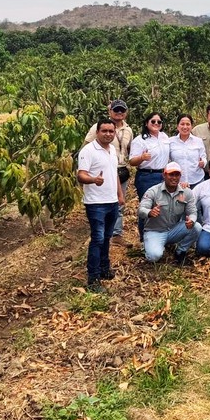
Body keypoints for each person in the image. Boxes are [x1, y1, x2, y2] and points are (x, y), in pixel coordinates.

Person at [76, 118, 124, 292]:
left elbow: (115, 173)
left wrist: (120, 194)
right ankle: (93, 278)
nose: (108, 134)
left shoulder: (112, 149)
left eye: (111, 131)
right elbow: (81, 175)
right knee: (97, 239)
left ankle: (104, 268)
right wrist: (93, 180)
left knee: (106, 238)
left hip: (111, 202)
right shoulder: (88, 151)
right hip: (96, 203)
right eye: (104, 131)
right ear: (97, 132)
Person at [83, 100, 134, 240]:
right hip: (102, 172)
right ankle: (100, 232)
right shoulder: (98, 127)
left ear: (126, 112)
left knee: (119, 202)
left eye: (122, 110)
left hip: (121, 169)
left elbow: (129, 149)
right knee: (101, 203)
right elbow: (86, 147)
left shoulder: (128, 130)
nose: (119, 113)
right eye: (116, 110)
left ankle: (116, 234)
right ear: (110, 111)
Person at [137, 162, 201, 265]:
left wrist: (192, 220)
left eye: (177, 175)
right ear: (164, 175)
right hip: (155, 231)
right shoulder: (153, 191)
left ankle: (180, 251)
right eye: (171, 174)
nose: (174, 178)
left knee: (196, 227)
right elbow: (141, 210)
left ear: (180, 176)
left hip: (173, 229)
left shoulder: (187, 192)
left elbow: (192, 212)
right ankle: (151, 245)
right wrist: (149, 212)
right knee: (154, 256)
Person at [129, 112, 171, 236]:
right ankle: (144, 237)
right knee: (147, 207)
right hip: (147, 176)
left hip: (163, 175)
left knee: (163, 206)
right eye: (153, 121)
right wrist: (142, 157)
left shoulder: (164, 137)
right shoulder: (140, 140)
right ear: (147, 123)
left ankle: (162, 235)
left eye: (159, 122)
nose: (156, 124)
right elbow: (132, 161)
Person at [169, 114, 208, 188]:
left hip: (197, 180)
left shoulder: (198, 141)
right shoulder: (170, 142)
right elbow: (167, 161)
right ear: (177, 126)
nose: (185, 127)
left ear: (191, 126)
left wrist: (203, 162)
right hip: (176, 181)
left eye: (188, 124)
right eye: (182, 124)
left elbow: (203, 157)